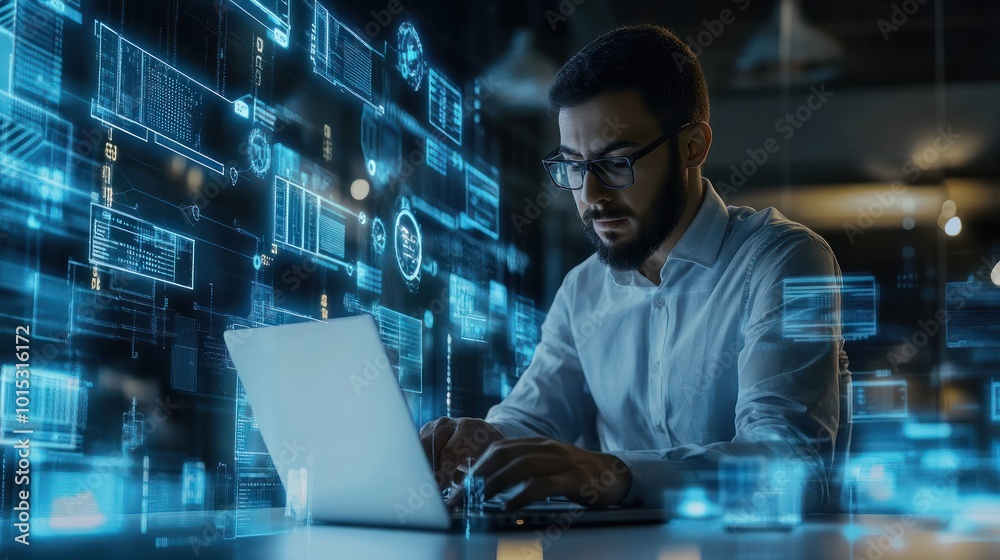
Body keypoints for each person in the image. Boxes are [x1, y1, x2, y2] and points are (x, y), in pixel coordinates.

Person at [420, 24, 850, 513]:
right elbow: (533, 419)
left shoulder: (785, 261)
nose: (592, 196)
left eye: (617, 162)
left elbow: (790, 464)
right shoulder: (582, 289)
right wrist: (480, 440)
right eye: (574, 166)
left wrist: (613, 472)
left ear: (692, 146)